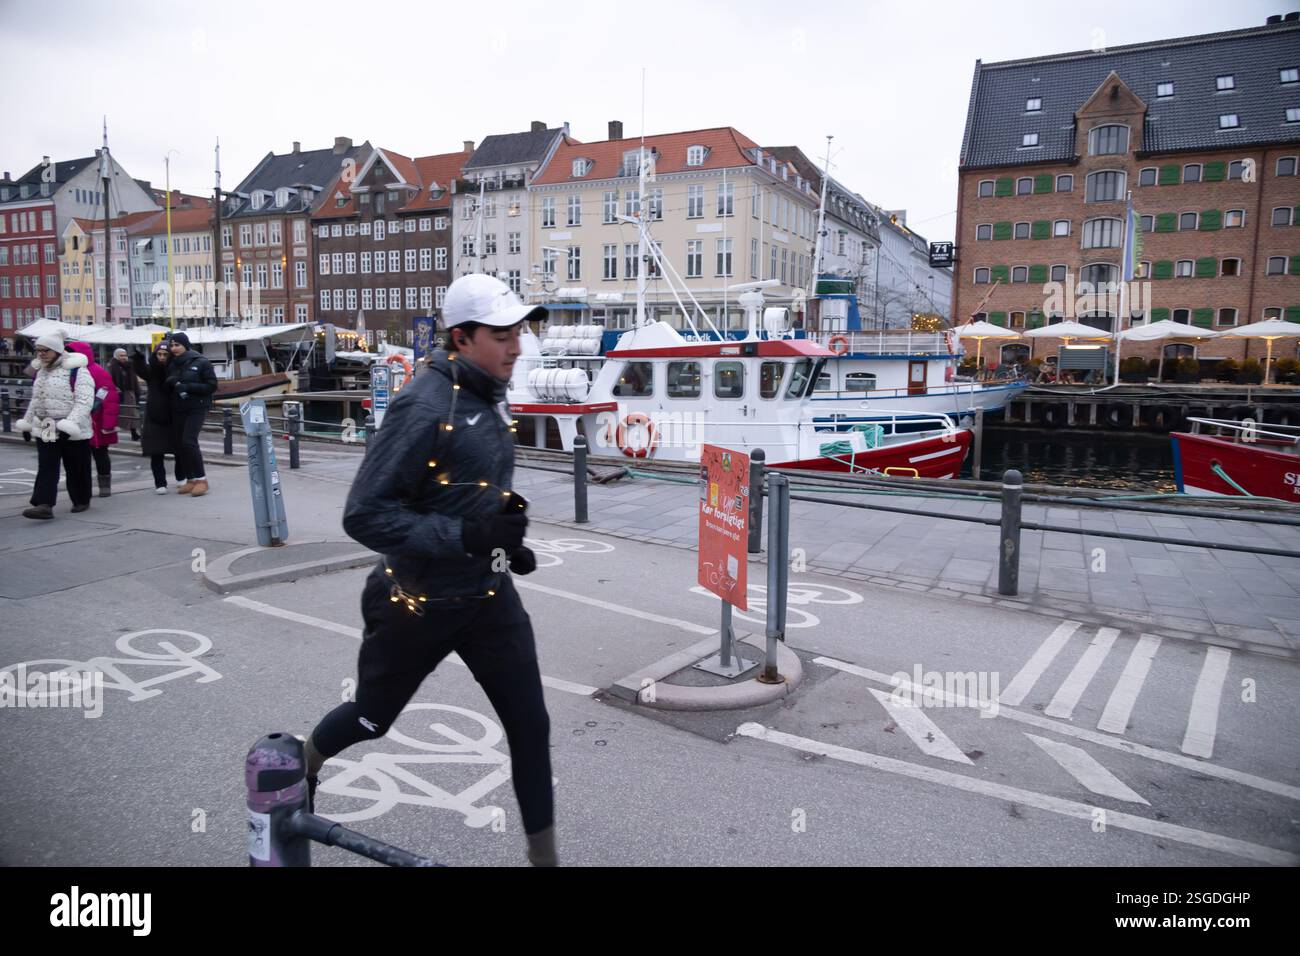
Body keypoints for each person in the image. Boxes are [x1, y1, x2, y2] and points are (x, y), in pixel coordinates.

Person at [300, 273, 557, 866]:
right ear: (462, 338)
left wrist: (502, 541)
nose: (517, 345)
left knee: (531, 729)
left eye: (519, 330)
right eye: (502, 334)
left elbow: (465, 489)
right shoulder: (422, 406)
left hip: (489, 600)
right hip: (415, 605)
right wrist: (467, 534)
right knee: (370, 719)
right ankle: (302, 761)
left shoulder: (490, 394)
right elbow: (365, 515)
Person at [16, 332, 95, 518]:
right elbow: (36, 400)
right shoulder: (41, 371)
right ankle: (44, 504)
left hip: (71, 427)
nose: (41, 354)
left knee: (76, 465)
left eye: (46, 350)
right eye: (38, 351)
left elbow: (84, 401)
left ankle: (81, 499)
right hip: (47, 425)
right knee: (47, 464)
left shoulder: (78, 370)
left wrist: (70, 423)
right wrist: (27, 422)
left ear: (58, 351)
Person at [163, 332, 217, 497]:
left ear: (185, 345)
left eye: (177, 345)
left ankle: (202, 480)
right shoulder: (172, 364)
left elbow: (211, 386)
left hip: (197, 407)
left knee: (189, 441)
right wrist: (170, 383)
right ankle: (191, 479)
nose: (174, 348)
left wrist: (188, 387)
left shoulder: (202, 362)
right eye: (171, 345)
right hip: (179, 407)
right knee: (180, 443)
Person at [66, 341, 120, 498]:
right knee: (80, 458)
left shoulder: (96, 372)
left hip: (97, 421)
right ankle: (83, 490)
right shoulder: (67, 370)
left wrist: (108, 424)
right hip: (76, 421)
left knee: (100, 454)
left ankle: (104, 485)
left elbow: (109, 398)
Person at [133, 342, 179, 494]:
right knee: (156, 452)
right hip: (154, 416)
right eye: (159, 354)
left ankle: (181, 477)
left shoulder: (175, 369)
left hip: (173, 415)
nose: (161, 357)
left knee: (180, 450)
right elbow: (141, 370)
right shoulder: (151, 370)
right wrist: (138, 359)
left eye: (165, 354)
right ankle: (160, 483)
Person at [111, 347, 141, 441]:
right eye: (121, 355)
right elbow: (111, 379)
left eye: (125, 355)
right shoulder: (113, 366)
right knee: (125, 414)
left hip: (130, 392)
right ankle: (132, 433)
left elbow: (134, 380)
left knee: (132, 413)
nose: (124, 357)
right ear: (116, 356)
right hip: (121, 393)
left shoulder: (129, 366)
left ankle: (134, 433)